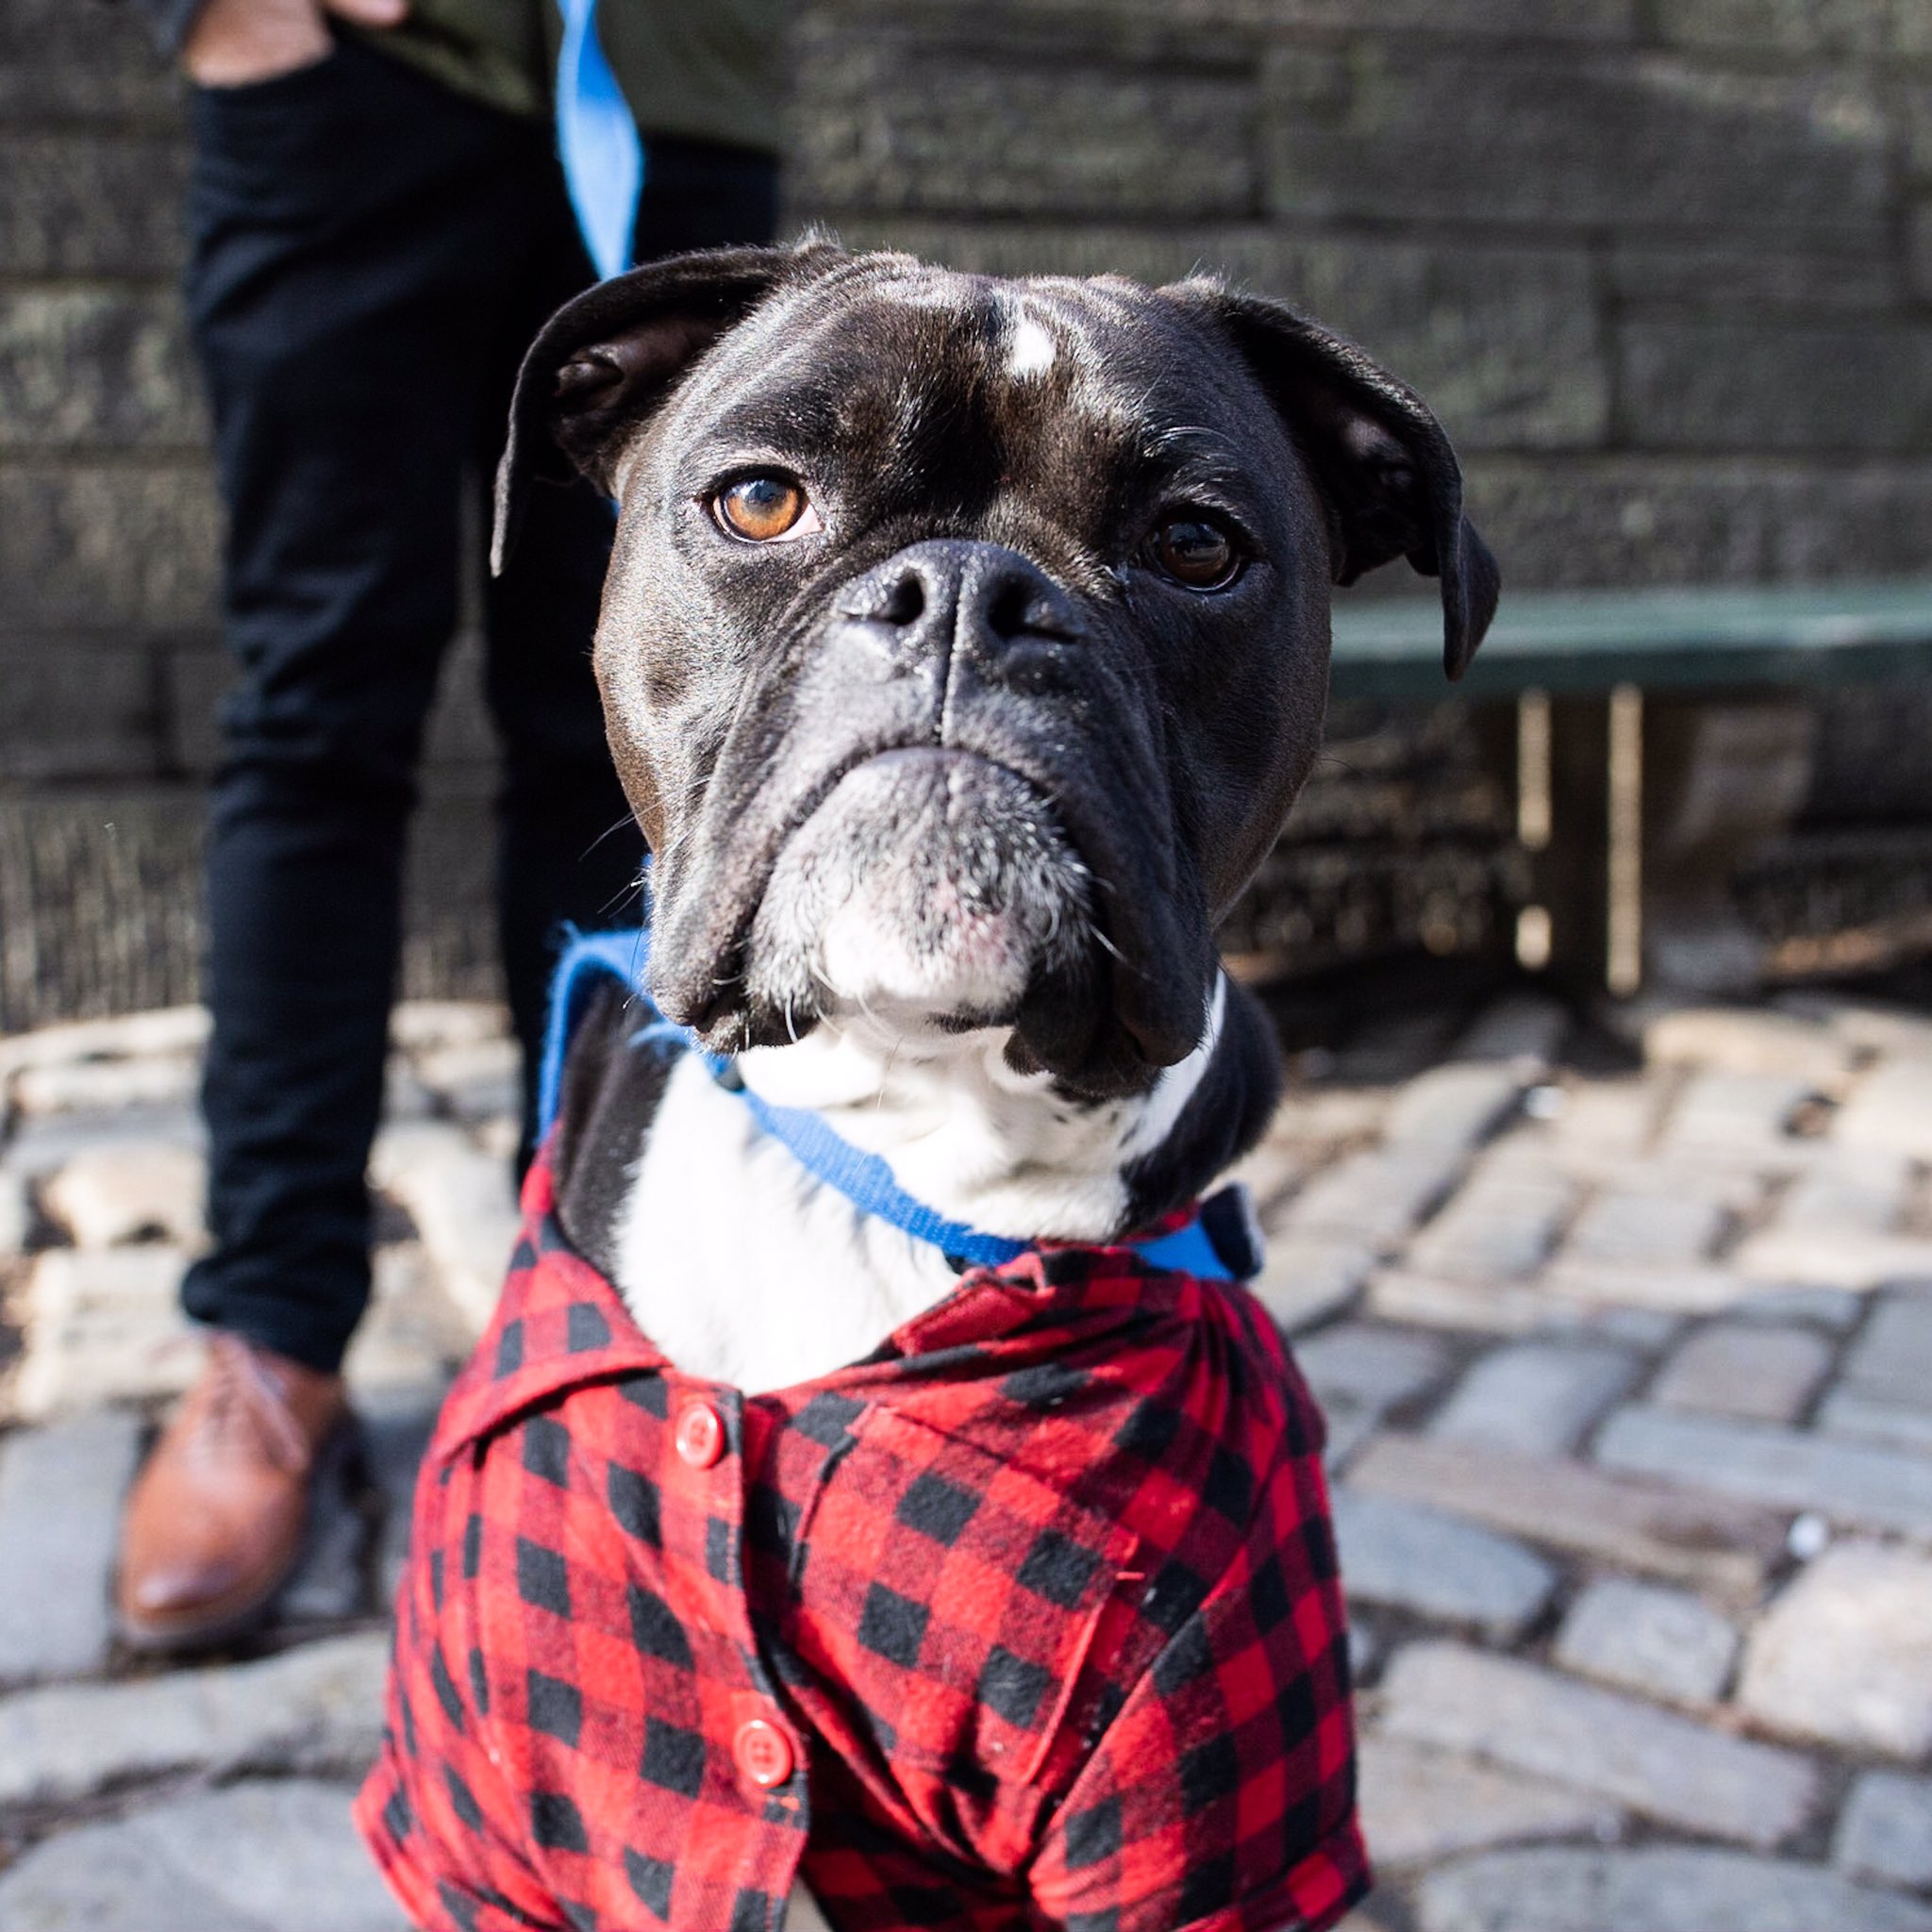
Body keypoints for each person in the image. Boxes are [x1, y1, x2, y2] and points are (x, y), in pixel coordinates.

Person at [113, 0, 783, 1651]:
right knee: (317, 715)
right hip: (353, 85)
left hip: (670, 92)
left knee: (630, 728)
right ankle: (273, 1336)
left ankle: (609, 1307)